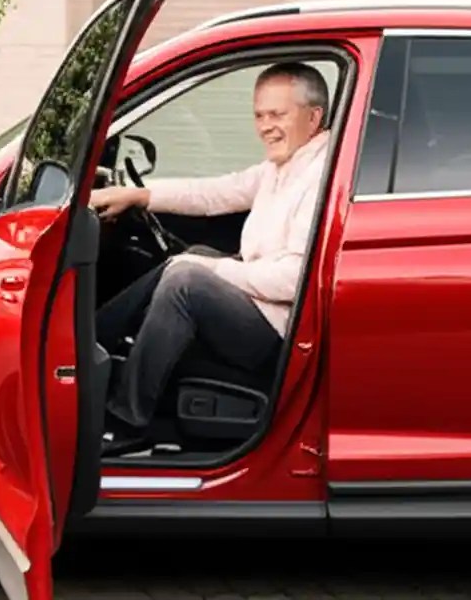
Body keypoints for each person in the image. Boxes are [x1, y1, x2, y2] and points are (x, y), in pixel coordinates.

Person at [89, 61, 332, 453]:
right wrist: (139, 195)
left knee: (186, 280)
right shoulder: (283, 165)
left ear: (313, 117)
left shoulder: (320, 175)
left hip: (278, 331)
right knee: (188, 259)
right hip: (260, 304)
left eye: (277, 114)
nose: (265, 126)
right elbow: (215, 193)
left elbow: (294, 279)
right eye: (259, 115)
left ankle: (127, 419)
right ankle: (88, 341)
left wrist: (215, 269)